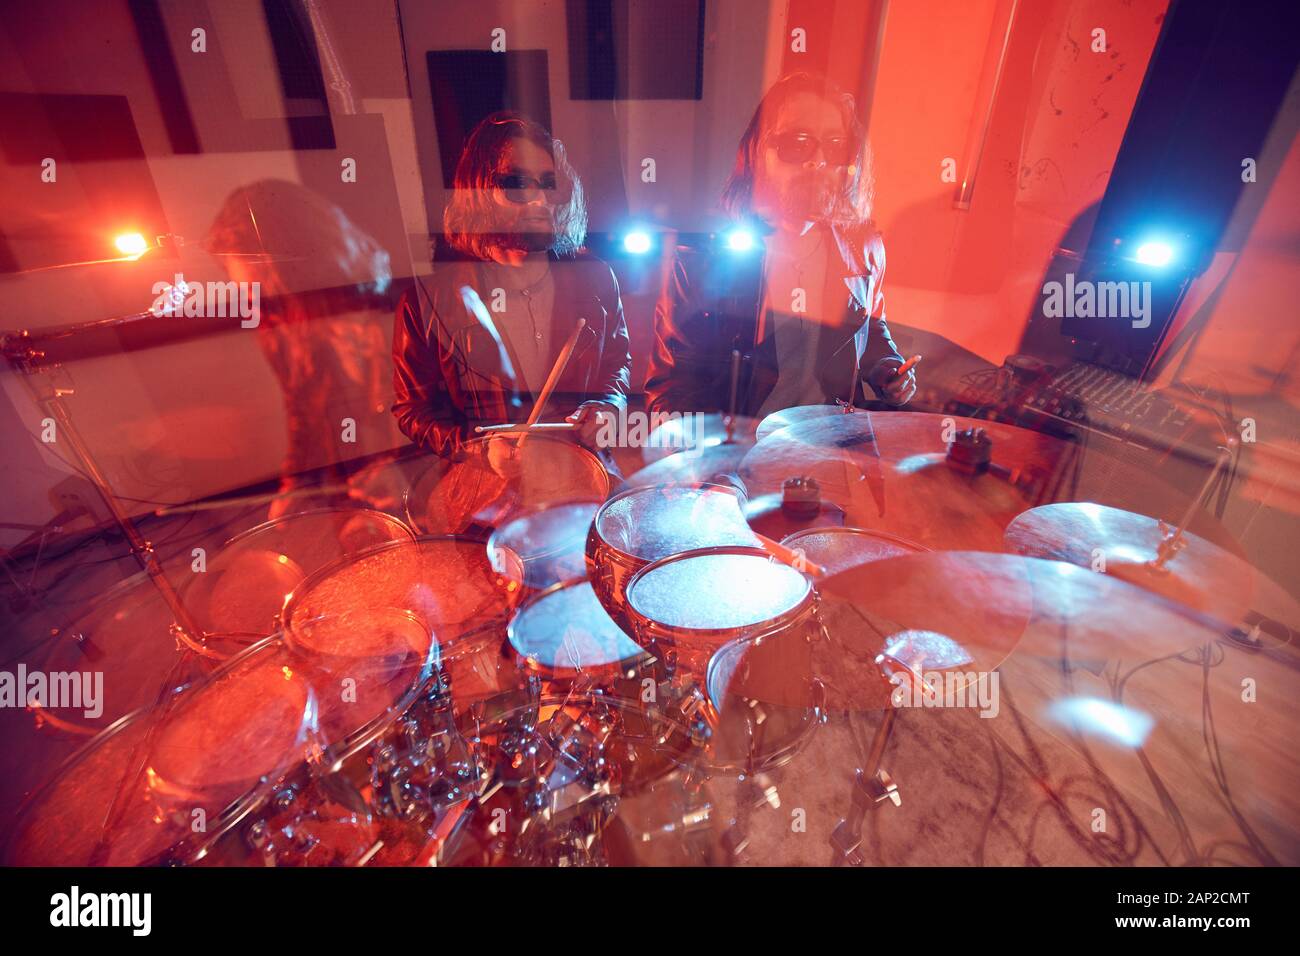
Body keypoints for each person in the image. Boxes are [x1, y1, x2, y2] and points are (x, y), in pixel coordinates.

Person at [645, 73, 916, 422]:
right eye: (797, 143)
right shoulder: (704, 262)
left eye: (835, 145)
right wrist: (711, 461)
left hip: (829, 450)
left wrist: (889, 369)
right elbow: (670, 392)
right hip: (741, 457)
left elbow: (871, 328)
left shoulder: (864, 249)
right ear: (756, 153)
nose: (817, 161)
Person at [392, 111, 631, 475]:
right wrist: (477, 449)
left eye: (549, 184)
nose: (540, 201)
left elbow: (617, 363)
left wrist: (608, 408)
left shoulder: (596, 278)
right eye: (517, 184)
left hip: (583, 470)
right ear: (478, 193)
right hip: (489, 483)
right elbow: (414, 411)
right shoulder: (428, 302)